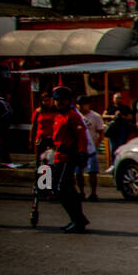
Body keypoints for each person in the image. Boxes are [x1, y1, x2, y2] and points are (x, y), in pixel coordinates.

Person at [49, 86, 90, 232]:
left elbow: (81, 137)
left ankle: (77, 219)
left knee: (61, 188)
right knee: (65, 189)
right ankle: (77, 219)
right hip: (58, 157)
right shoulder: (59, 116)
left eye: (62, 101)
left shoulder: (73, 116)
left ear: (68, 101)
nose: (58, 103)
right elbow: (59, 138)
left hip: (68, 157)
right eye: (56, 100)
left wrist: (82, 153)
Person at [75, 96, 105, 202]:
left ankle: (93, 193)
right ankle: (81, 192)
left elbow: (101, 131)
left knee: (92, 172)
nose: (81, 107)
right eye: (79, 105)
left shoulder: (95, 116)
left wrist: (97, 143)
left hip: (90, 147)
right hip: (78, 148)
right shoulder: (76, 116)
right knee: (78, 172)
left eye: (83, 104)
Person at [102, 93, 135, 166]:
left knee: (121, 147)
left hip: (122, 130)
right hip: (112, 131)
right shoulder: (110, 107)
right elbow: (103, 116)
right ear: (113, 99)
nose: (118, 100)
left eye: (120, 98)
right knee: (113, 149)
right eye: (116, 98)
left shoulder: (125, 108)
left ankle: (121, 164)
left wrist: (122, 116)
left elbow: (131, 117)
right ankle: (113, 165)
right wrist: (111, 117)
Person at [29, 91, 57, 156]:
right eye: (45, 101)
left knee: (52, 157)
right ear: (42, 101)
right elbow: (33, 126)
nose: (47, 103)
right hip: (40, 138)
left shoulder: (56, 111)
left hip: (53, 138)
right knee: (39, 156)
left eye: (49, 100)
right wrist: (30, 139)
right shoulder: (38, 111)